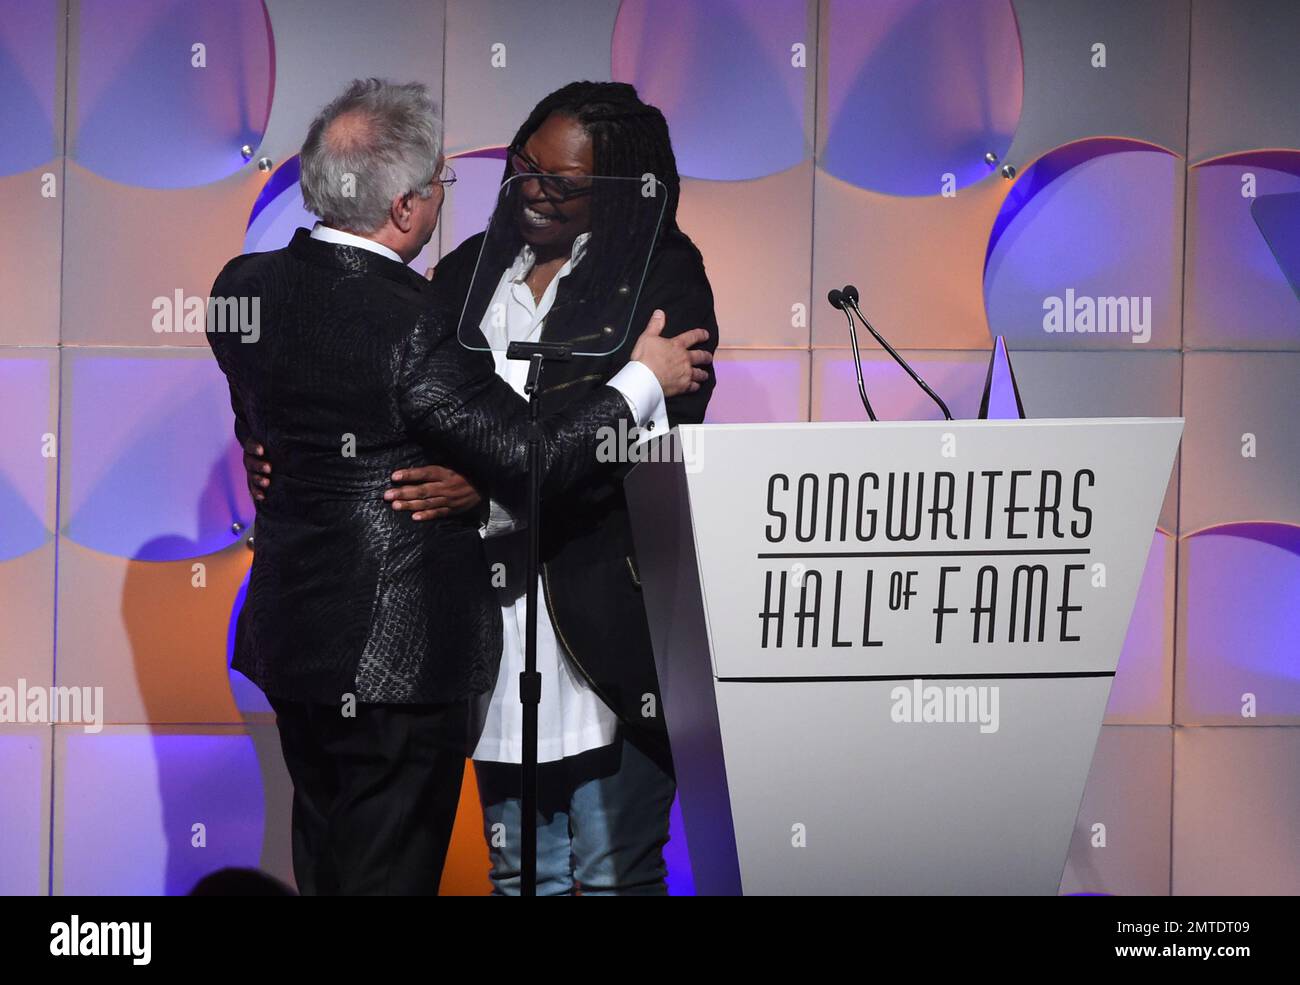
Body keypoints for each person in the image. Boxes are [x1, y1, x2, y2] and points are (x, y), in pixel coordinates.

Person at [209, 78, 711, 896]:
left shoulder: (244, 284)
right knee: (507, 868)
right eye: (523, 167)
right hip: (432, 639)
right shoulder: (449, 287)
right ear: (405, 208)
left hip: (581, 626)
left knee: (609, 868)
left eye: (565, 182)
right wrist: (265, 446)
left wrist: (480, 489)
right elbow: (510, 447)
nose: (534, 192)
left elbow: (632, 451)